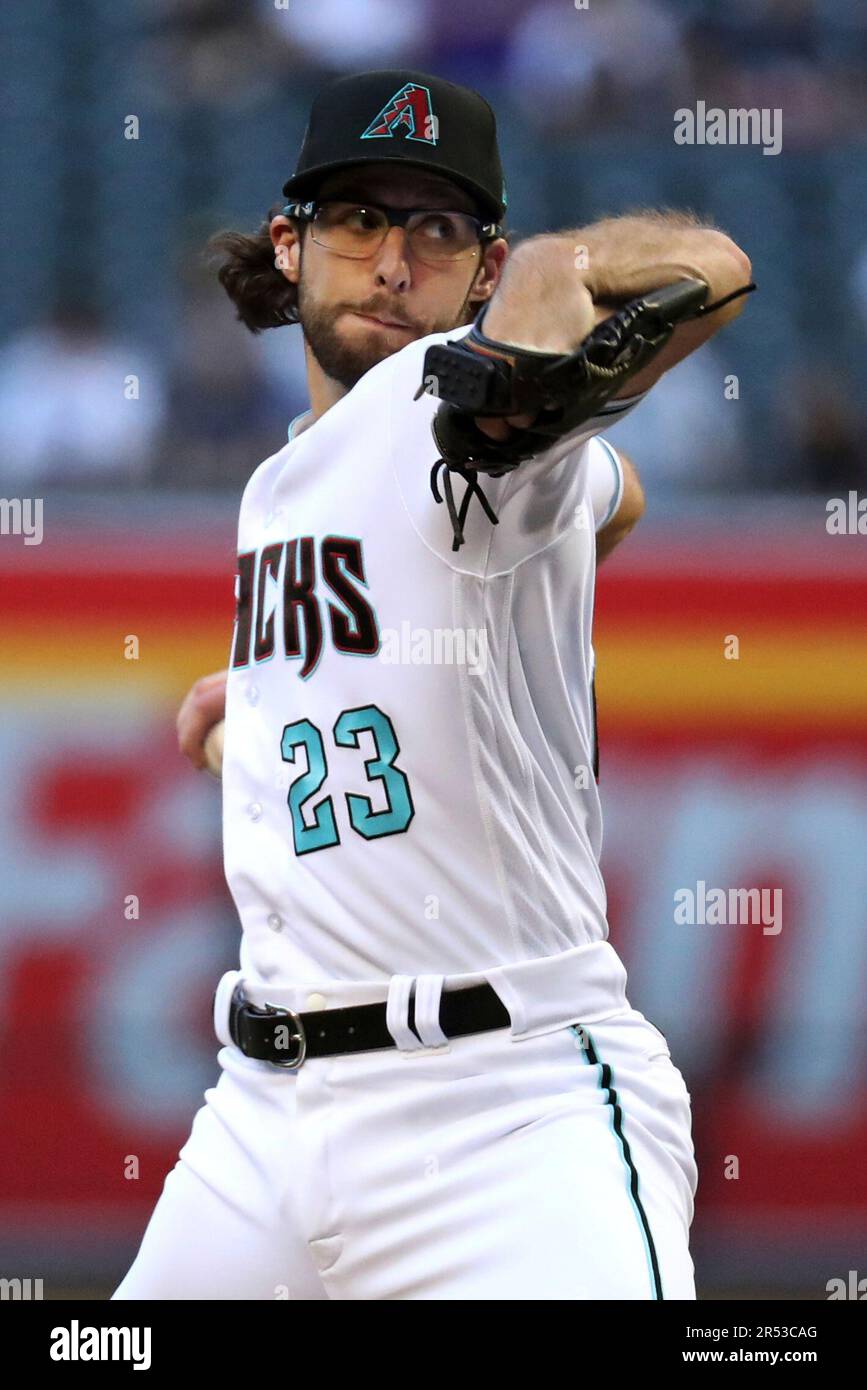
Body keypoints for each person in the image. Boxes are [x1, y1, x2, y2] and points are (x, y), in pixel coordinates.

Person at [113, 69, 751, 1300]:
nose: (395, 259)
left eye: (438, 228)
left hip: (503, 1112)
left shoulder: (467, 411)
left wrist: (563, 267)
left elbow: (712, 266)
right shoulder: (280, 484)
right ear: (291, 245)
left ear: (484, 266)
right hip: (261, 1115)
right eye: (358, 218)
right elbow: (622, 495)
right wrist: (287, 683)